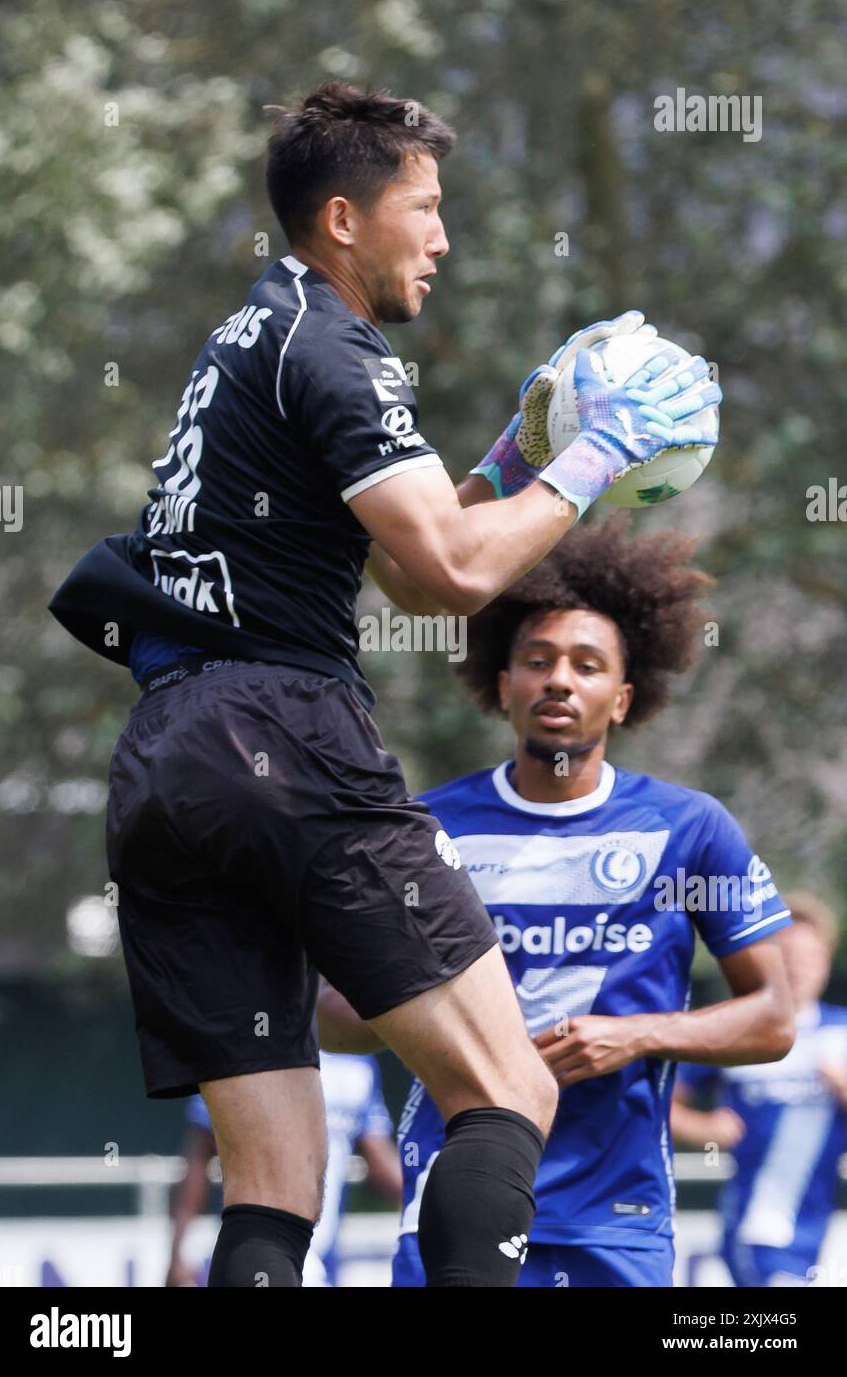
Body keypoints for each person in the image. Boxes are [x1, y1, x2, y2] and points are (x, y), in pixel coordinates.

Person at [48, 80, 720, 1287]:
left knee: (274, 1178)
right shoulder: (336, 344)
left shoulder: (252, 337)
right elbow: (459, 574)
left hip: (169, 761)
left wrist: (521, 456)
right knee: (508, 1081)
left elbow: (413, 573)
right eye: (429, 207)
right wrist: (602, 449)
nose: (446, 239)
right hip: (283, 731)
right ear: (347, 218)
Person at [320, 516, 795, 1287]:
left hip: (619, 1217)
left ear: (622, 697)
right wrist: (429, 1023)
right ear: (502, 686)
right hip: (454, 1201)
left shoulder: (689, 828)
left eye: (585, 664)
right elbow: (333, 1019)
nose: (559, 681)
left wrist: (637, 1035)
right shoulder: (422, 828)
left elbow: (774, 1018)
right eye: (536, 662)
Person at [672, 892, 847, 1287]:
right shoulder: (740, 1031)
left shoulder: (841, 1032)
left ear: (825, 962)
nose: (799, 969)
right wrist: (702, 1128)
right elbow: (662, 1102)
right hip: (758, 1227)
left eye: (809, 958)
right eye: (787, 957)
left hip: (817, 1224)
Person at [166, 1051, 401, 1287]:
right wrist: (177, 1254)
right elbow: (198, 1156)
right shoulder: (245, 1046)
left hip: (320, 1256)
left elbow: (380, 1160)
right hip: (257, 1243)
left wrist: (425, 1200)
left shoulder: (356, 1060)